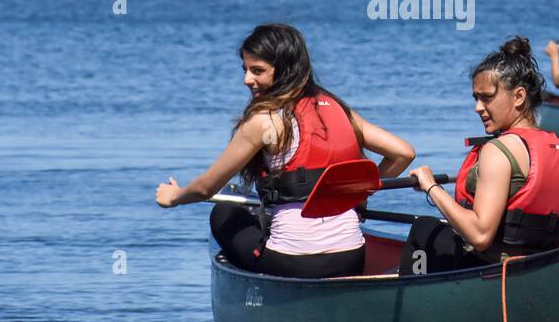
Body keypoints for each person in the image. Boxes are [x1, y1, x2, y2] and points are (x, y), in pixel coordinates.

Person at [155, 23, 415, 278]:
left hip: (291, 262)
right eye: (245, 70)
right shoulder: (338, 110)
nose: (247, 79)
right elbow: (403, 153)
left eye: (258, 71)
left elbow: (205, 189)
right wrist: (359, 194)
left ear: (285, 71)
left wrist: (174, 197)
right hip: (351, 257)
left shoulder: (264, 121)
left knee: (224, 211)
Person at [401, 36, 559, 275]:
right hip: (539, 269)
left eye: (487, 97)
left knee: (423, 229)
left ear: (518, 96)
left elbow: (480, 235)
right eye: (476, 98)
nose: (478, 107)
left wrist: (431, 187)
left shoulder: (497, 151)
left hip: (494, 272)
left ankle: (413, 308)